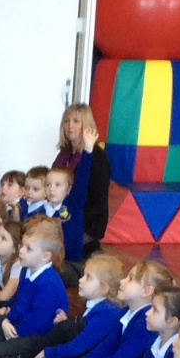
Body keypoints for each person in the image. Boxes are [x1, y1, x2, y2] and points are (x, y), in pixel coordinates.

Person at [67, 259, 173, 358]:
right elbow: (107, 346)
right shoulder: (126, 313)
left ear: (147, 291)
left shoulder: (144, 323)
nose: (122, 281)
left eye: (130, 279)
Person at [3, 254, 123, 358]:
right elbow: (82, 331)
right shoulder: (99, 307)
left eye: (88, 277)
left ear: (103, 288)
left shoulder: (107, 312)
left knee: (65, 327)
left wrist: (48, 352)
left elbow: (82, 344)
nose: (80, 280)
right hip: (83, 355)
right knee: (63, 327)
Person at [0, 221, 69, 358]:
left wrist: (16, 331)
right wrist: (8, 320)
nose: (21, 251)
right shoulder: (27, 271)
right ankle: (12, 349)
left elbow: (37, 320)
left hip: (39, 335)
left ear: (45, 256)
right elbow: (20, 303)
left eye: (28, 249)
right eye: (22, 245)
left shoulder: (48, 283)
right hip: (22, 325)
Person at [53, 102, 111, 255]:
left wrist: (68, 221)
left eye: (76, 121)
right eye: (66, 121)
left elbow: (96, 199)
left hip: (86, 223)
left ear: (86, 125)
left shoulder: (97, 157)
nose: (70, 125)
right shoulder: (63, 154)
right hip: (63, 215)